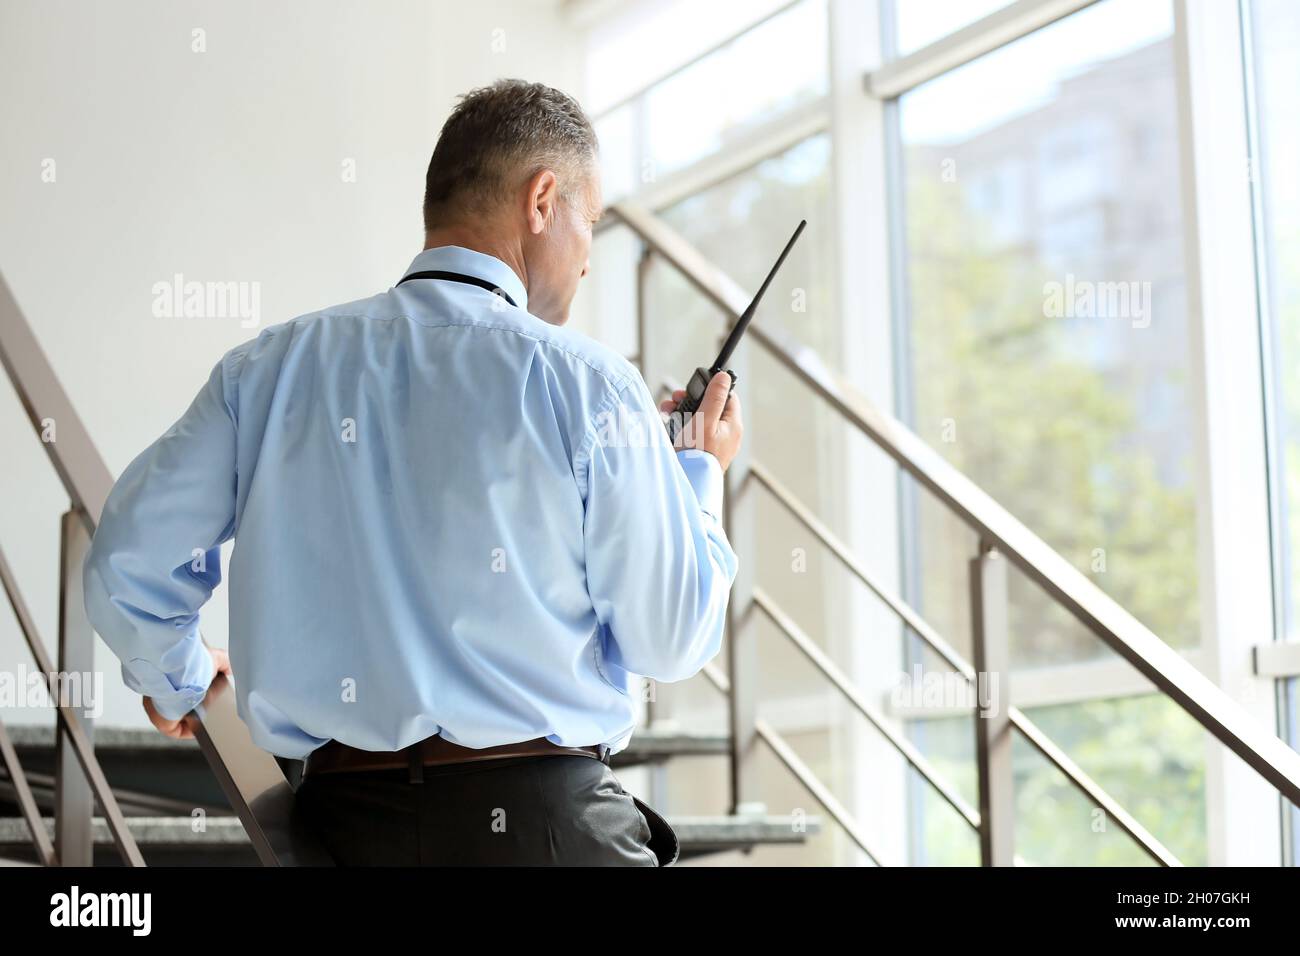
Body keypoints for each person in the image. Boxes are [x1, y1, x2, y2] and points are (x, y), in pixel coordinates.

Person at [81, 78, 743, 866]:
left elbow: (128, 561)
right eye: (589, 221)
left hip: (338, 834)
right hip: (549, 832)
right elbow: (668, 639)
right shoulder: (592, 383)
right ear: (541, 201)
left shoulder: (268, 370)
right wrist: (695, 475)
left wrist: (181, 679)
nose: (589, 257)